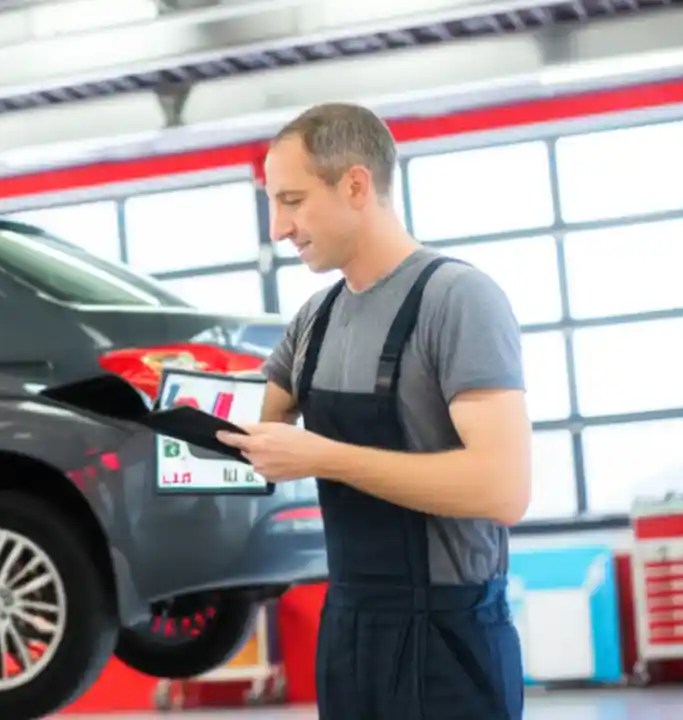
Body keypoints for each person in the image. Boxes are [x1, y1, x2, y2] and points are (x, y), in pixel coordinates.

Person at [216, 102, 531, 719]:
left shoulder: (458, 300)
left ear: (356, 184)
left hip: (447, 641)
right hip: (350, 631)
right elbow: (241, 421)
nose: (279, 227)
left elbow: (504, 488)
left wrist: (326, 457)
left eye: (293, 200)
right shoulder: (315, 318)